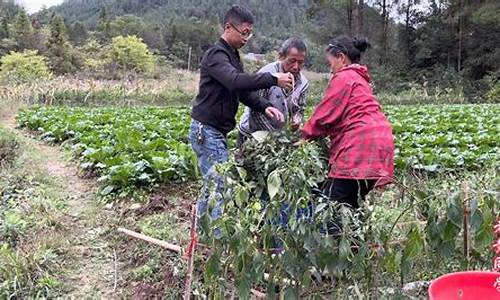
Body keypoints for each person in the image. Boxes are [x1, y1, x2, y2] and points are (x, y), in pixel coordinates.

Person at [189, 5, 293, 223]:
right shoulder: (216, 55)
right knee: (219, 184)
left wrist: (264, 106)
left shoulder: (232, 56)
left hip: (214, 131)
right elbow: (233, 81)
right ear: (229, 27)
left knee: (213, 184)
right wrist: (274, 78)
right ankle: (216, 237)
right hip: (207, 131)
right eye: (244, 32)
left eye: (250, 33)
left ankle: (202, 230)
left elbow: (241, 91)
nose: (247, 38)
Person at [300, 36, 395, 209]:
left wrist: (303, 136)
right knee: (351, 206)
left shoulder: (344, 77)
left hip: (359, 148)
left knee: (333, 209)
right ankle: (353, 235)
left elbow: (326, 113)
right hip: (379, 144)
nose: (331, 70)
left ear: (341, 58)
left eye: (330, 63)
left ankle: (334, 235)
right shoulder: (361, 79)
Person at [238, 37, 309, 145]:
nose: (296, 67)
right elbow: (256, 111)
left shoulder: (303, 83)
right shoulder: (266, 75)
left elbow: (300, 108)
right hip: (251, 134)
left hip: (276, 137)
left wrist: (296, 118)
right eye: (292, 61)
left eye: (300, 63)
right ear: (281, 56)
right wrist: (273, 138)